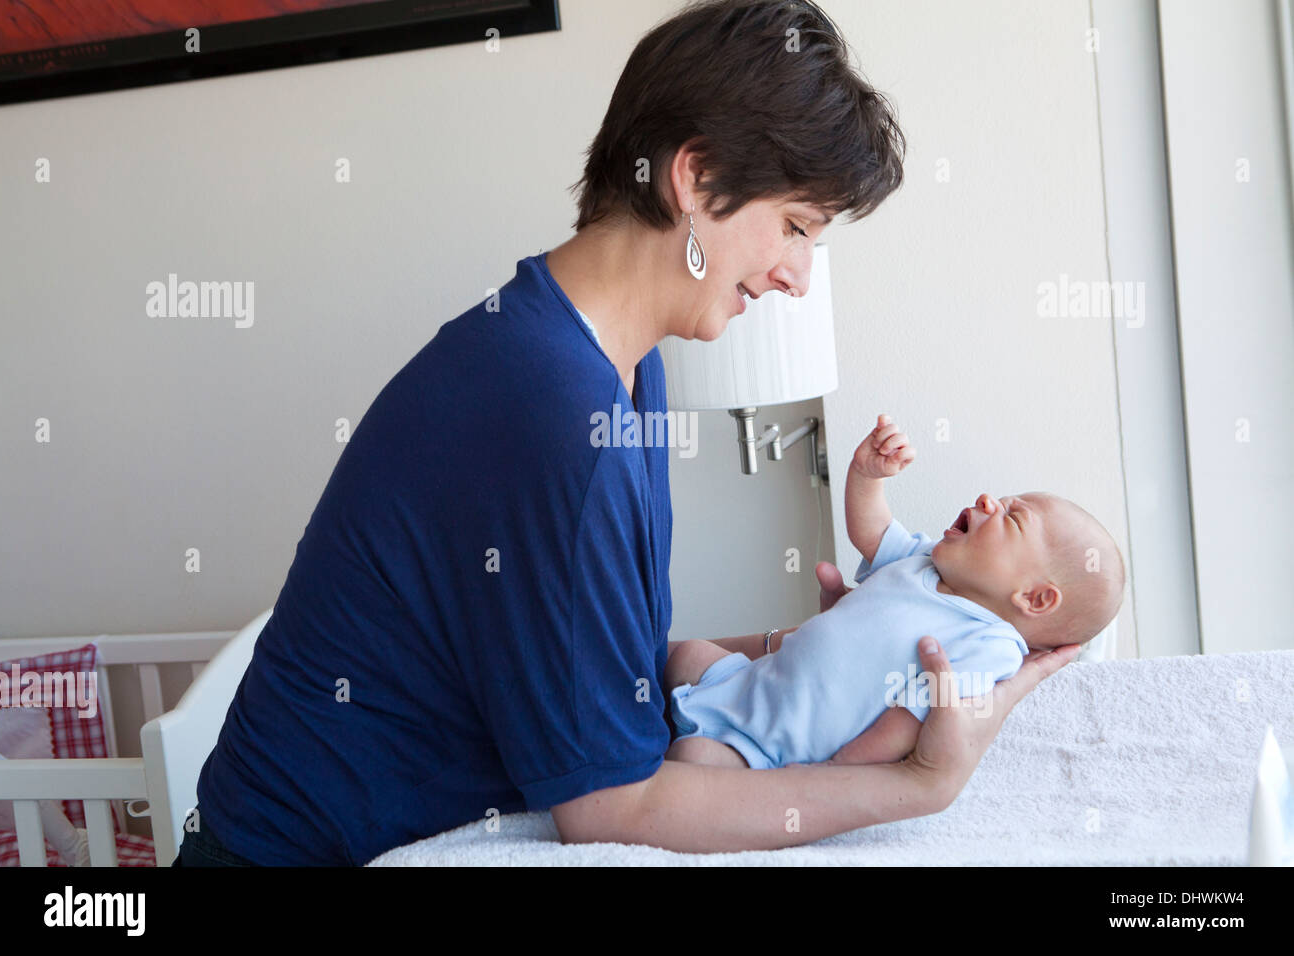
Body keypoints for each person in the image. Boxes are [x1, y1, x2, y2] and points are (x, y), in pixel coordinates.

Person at [175, 0, 1080, 866]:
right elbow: (613, 808)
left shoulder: (617, 362)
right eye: (796, 227)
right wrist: (922, 786)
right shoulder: (551, 406)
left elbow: (595, 662)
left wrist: (814, 650)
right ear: (695, 178)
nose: (799, 276)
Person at [663, 414, 1124, 770]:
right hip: (751, 683)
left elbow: (906, 722)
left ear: (1034, 598)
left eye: (1012, 516)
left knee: (693, 761)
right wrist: (867, 476)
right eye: (1002, 499)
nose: (988, 500)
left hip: (775, 743)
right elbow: (872, 530)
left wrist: (837, 773)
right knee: (684, 657)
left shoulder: (989, 647)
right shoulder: (923, 560)